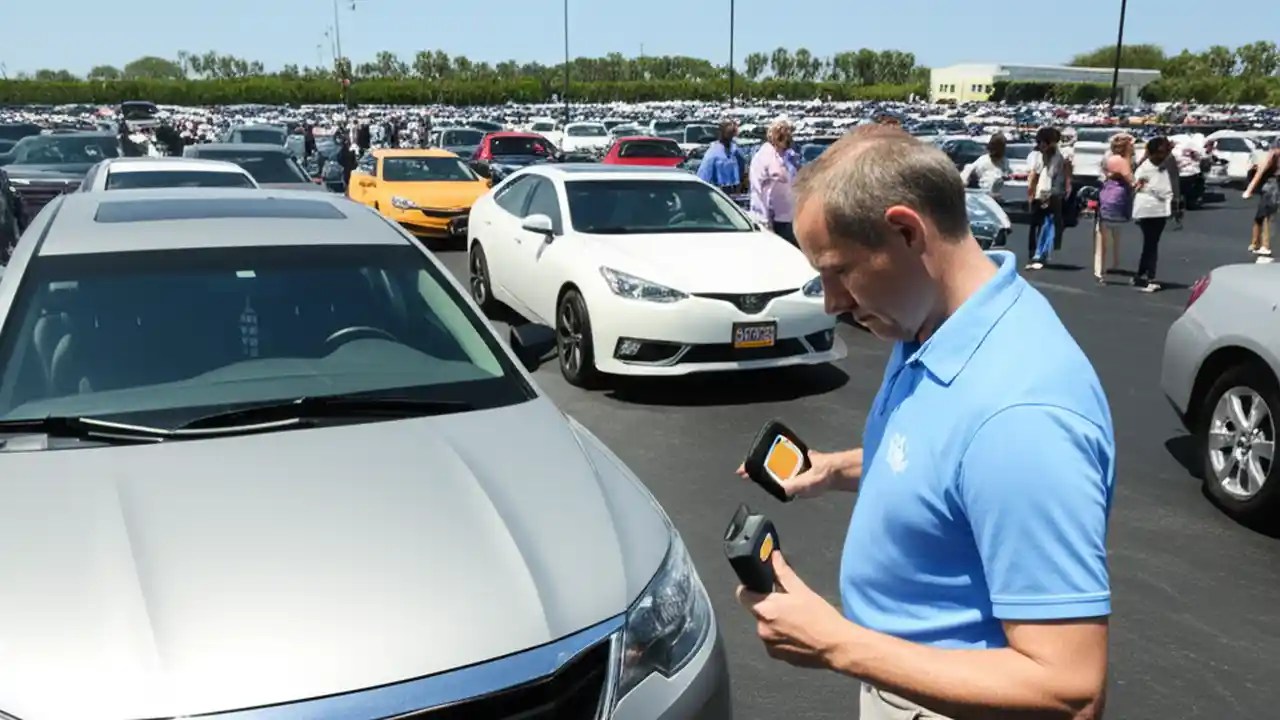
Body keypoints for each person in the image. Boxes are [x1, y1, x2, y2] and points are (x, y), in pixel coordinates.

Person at [734, 124, 1114, 720]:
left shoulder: (1022, 418)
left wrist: (837, 644)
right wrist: (836, 469)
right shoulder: (928, 321)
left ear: (907, 233)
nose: (832, 301)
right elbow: (948, 466)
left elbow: (1068, 688)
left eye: (838, 270)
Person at [1131, 136, 1178, 292]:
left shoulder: (1164, 167)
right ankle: (1150, 277)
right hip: (1147, 209)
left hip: (1160, 210)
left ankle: (1141, 275)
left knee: (1151, 244)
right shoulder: (1145, 168)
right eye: (1161, 153)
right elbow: (1139, 187)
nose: (1164, 156)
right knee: (1151, 244)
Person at [1025, 126, 1072, 270]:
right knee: (1041, 222)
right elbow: (1034, 176)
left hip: (1052, 191)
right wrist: (1031, 194)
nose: (1043, 145)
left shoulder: (1059, 155)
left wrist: (1066, 187)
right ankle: (1037, 252)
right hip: (1043, 191)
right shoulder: (1038, 156)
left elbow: (1064, 172)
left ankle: (1041, 253)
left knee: (1048, 222)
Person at [1094, 133, 1136, 283]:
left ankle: (1100, 268)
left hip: (1106, 194)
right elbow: (1131, 181)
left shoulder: (1109, 159)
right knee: (1112, 233)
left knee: (1102, 233)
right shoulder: (1122, 161)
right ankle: (1108, 265)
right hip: (1117, 197)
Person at [748, 119, 798, 245]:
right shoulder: (765, 155)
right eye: (786, 136)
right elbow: (776, 175)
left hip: (787, 216)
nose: (789, 140)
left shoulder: (787, 155)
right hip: (770, 218)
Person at [1242, 144, 1279, 258]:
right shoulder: (1274, 154)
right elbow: (1260, 171)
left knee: (1266, 215)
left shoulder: (1273, 153)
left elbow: (1260, 171)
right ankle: (1258, 244)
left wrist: (1249, 190)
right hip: (1273, 186)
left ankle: (1263, 245)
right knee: (1265, 215)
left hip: (1271, 186)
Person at [698, 120, 747, 194]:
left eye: (732, 134)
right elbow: (704, 176)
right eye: (729, 133)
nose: (731, 137)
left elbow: (742, 172)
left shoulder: (736, 151)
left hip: (736, 193)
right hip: (718, 192)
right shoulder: (713, 152)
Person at [959, 133, 1009, 199]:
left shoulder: (1005, 161)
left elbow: (1006, 174)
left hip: (1000, 197)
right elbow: (968, 169)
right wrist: (964, 180)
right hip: (984, 196)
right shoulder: (983, 160)